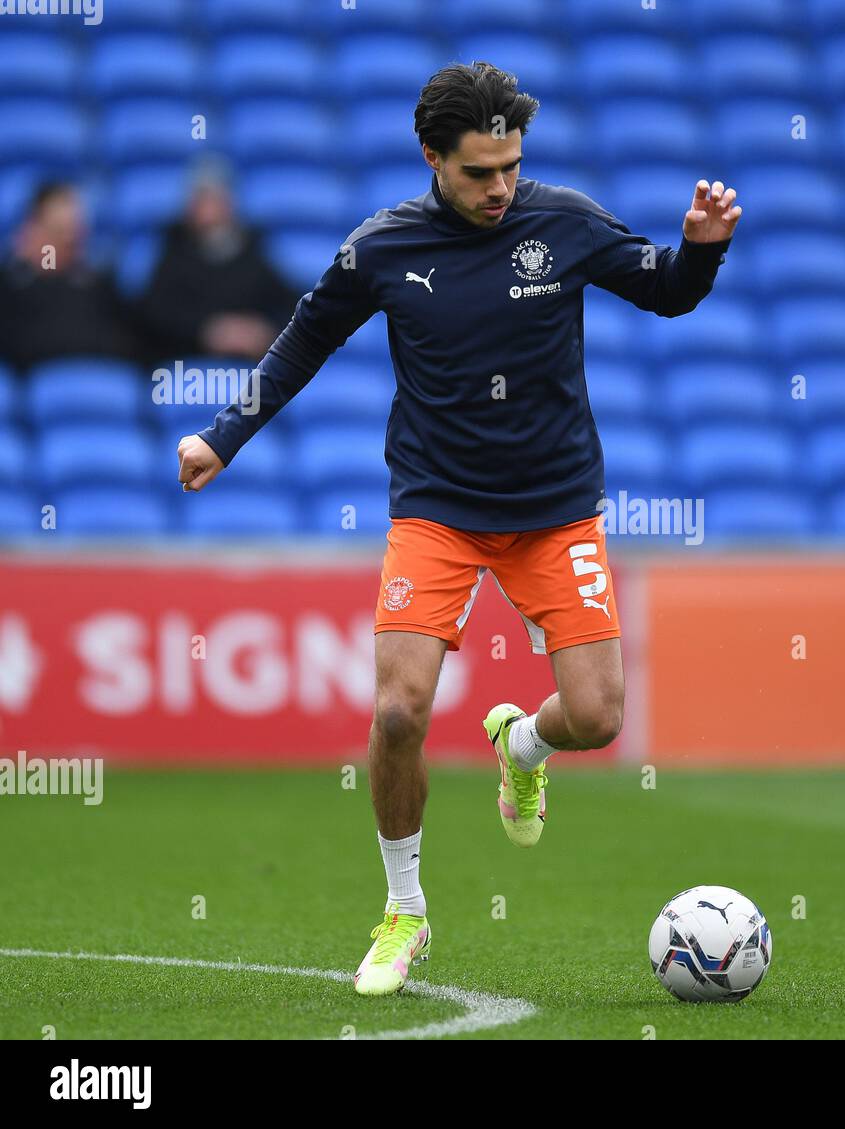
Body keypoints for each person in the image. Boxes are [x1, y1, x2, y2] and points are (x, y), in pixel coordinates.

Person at [176, 61, 740, 996]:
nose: (501, 188)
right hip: (437, 506)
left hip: (556, 507)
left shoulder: (563, 223)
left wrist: (703, 248)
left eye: (512, 166)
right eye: (480, 172)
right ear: (432, 158)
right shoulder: (383, 249)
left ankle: (522, 746)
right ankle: (405, 910)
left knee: (597, 718)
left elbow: (670, 292)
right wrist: (224, 436)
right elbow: (303, 341)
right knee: (398, 709)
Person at [136, 157, 298, 362]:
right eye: (202, 199)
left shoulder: (253, 250)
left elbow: (289, 304)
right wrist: (208, 331)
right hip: (184, 368)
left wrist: (261, 331)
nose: (209, 209)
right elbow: (152, 315)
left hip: (248, 370)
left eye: (215, 198)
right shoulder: (172, 250)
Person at [0, 181, 140, 370]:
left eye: (75, 232)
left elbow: (125, 343)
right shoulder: (12, 287)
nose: (69, 242)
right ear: (32, 232)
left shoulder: (98, 284)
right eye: (59, 232)